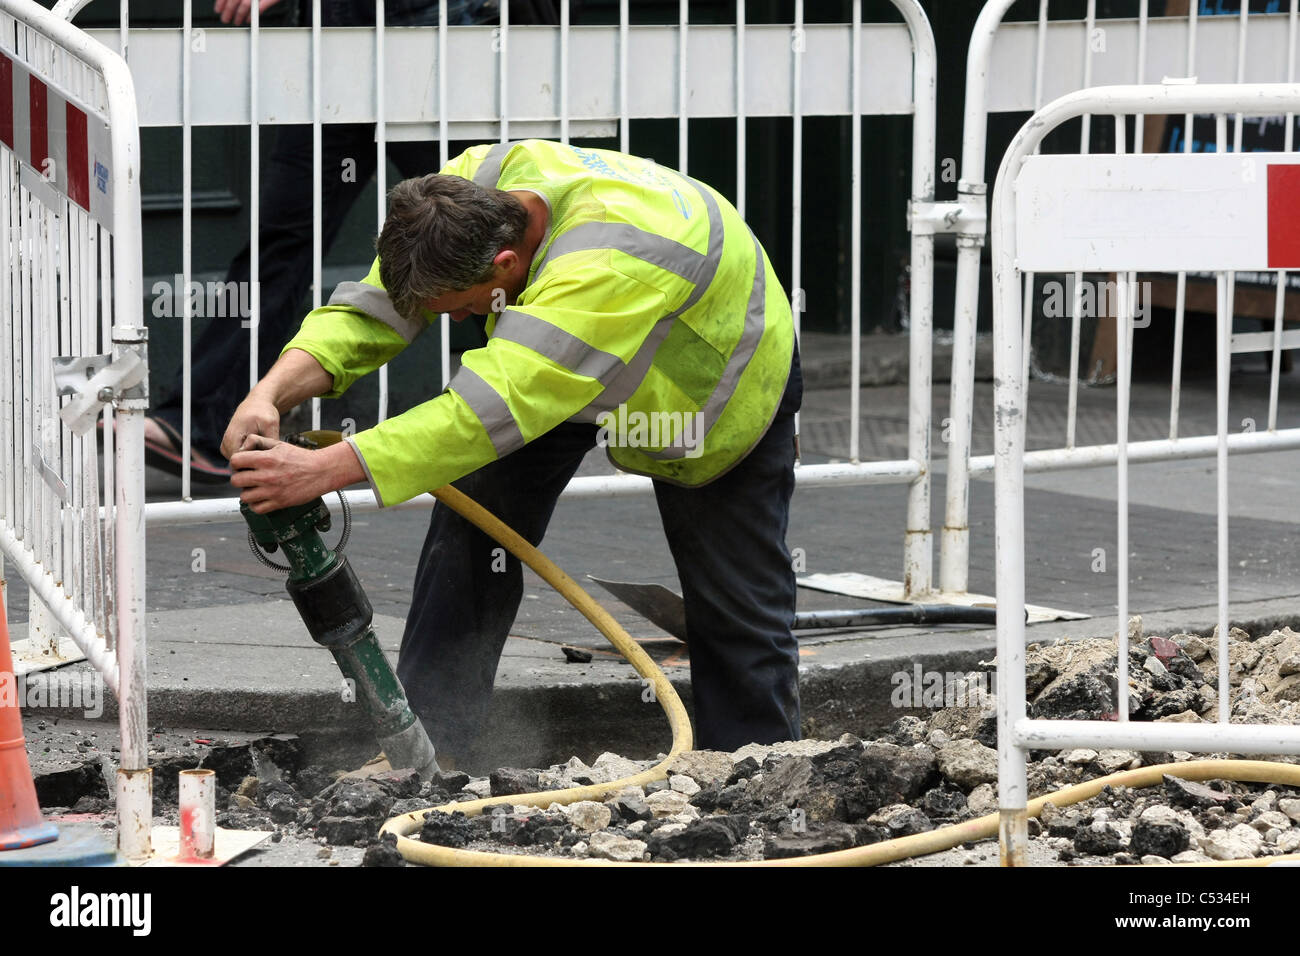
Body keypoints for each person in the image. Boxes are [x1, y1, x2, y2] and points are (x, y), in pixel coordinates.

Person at [225, 139, 803, 763]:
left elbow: (484, 413)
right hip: (548, 351)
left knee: (734, 599)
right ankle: (429, 753)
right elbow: (378, 309)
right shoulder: (469, 190)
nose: (453, 322)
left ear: (504, 264)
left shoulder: (611, 263)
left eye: (464, 308)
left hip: (710, 388)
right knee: (470, 539)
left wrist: (323, 470)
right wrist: (270, 392)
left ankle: (760, 770)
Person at [144, 0, 546, 481]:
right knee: (284, 240)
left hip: (428, 48)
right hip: (332, 52)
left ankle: (521, 434)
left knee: (479, 249)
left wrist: (328, 468)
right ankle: (200, 422)